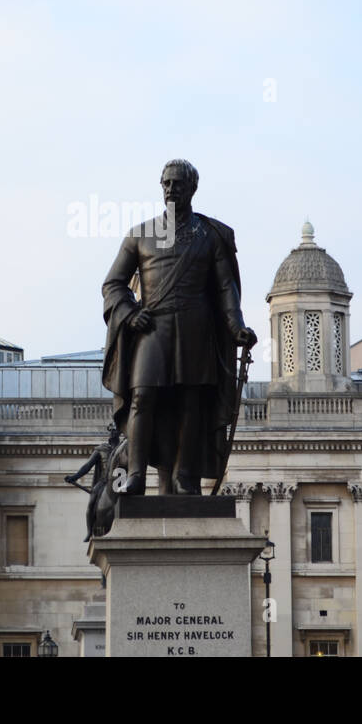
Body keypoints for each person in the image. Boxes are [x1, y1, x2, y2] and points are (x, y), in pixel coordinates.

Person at [101, 159, 255, 495]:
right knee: (143, 396)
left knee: (192, 399)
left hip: (197, 328)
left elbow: (226, 288)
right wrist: (128, 314)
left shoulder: (212, 235)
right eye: (167, 184)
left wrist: (236, 326)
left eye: (178, 184)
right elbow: (113, 284)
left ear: (192, 188)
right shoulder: (139, 236)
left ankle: (186, 476)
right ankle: (136, 476)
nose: (172, 190)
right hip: (152, 329)